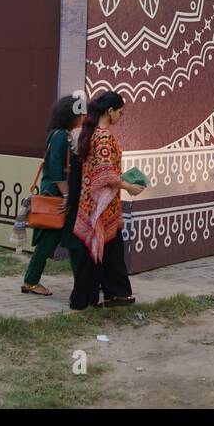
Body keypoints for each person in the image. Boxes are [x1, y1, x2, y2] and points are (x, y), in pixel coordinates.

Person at [72, 91, 146, 309]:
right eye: (120, 113)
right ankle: (92, 298)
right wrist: (128, 186)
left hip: (95, 203)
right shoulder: (103, 136)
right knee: (98, 253)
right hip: (101, 206)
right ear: (110, 111)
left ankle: (111, 295)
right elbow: (104, 173)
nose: (120, 117)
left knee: (105, 252)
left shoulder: (93, 133)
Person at [20, 96, 84, 297]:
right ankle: (30, 281)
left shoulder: (60, 134)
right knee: (49, 240)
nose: (83, 116)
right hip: (57, 196)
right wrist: (66, 195)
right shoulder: (60, 137)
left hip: (60, 194)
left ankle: (83, 281)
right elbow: (56, 169)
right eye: (80, 113)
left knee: (74, 240)